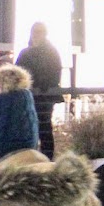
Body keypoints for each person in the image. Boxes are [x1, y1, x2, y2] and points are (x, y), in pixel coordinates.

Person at [15, 22, 62, 158]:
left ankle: (40, 156)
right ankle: (43, 157)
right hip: (41, 96)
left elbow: (18, 72)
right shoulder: (51, 52)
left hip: (39, 97)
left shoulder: (28, 53)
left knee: (41, 127)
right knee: (43, 127)